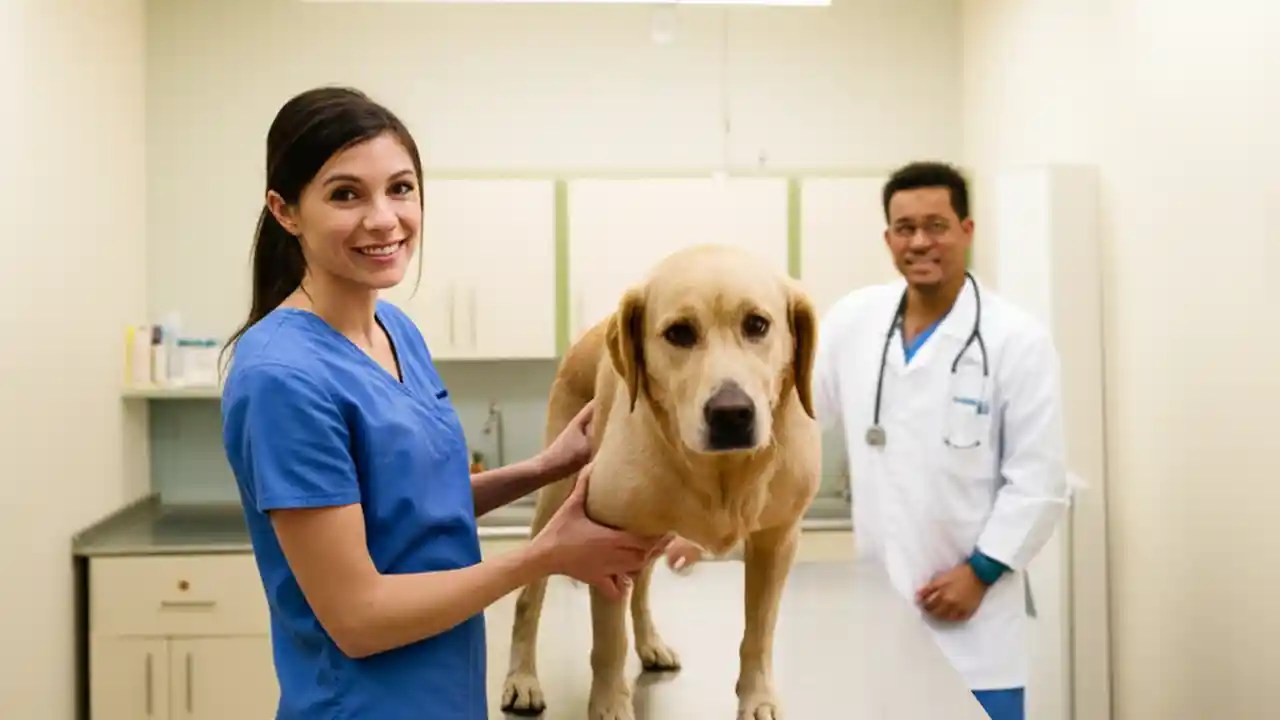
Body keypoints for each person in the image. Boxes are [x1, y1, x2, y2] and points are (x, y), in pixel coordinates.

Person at [218, 86, 669, 720]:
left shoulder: (396, 332)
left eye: (400, 188)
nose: (383, 218)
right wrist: (543, 556)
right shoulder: (282, 378)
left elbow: (416, 507)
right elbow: (358, 618)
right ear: (285, 211)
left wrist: (546, 467)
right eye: (346, 194)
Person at [810, 161, 1070, 719]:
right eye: (905, 228)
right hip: (876, 613)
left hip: (975, 629)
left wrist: (979, 573)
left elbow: (1039, 481)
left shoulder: (1015, 341)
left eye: (937, 225)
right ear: (888, 238)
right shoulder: (853, 321)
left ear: (967, 231)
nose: (921, 241)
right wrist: (709, 518)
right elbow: (797, 425)